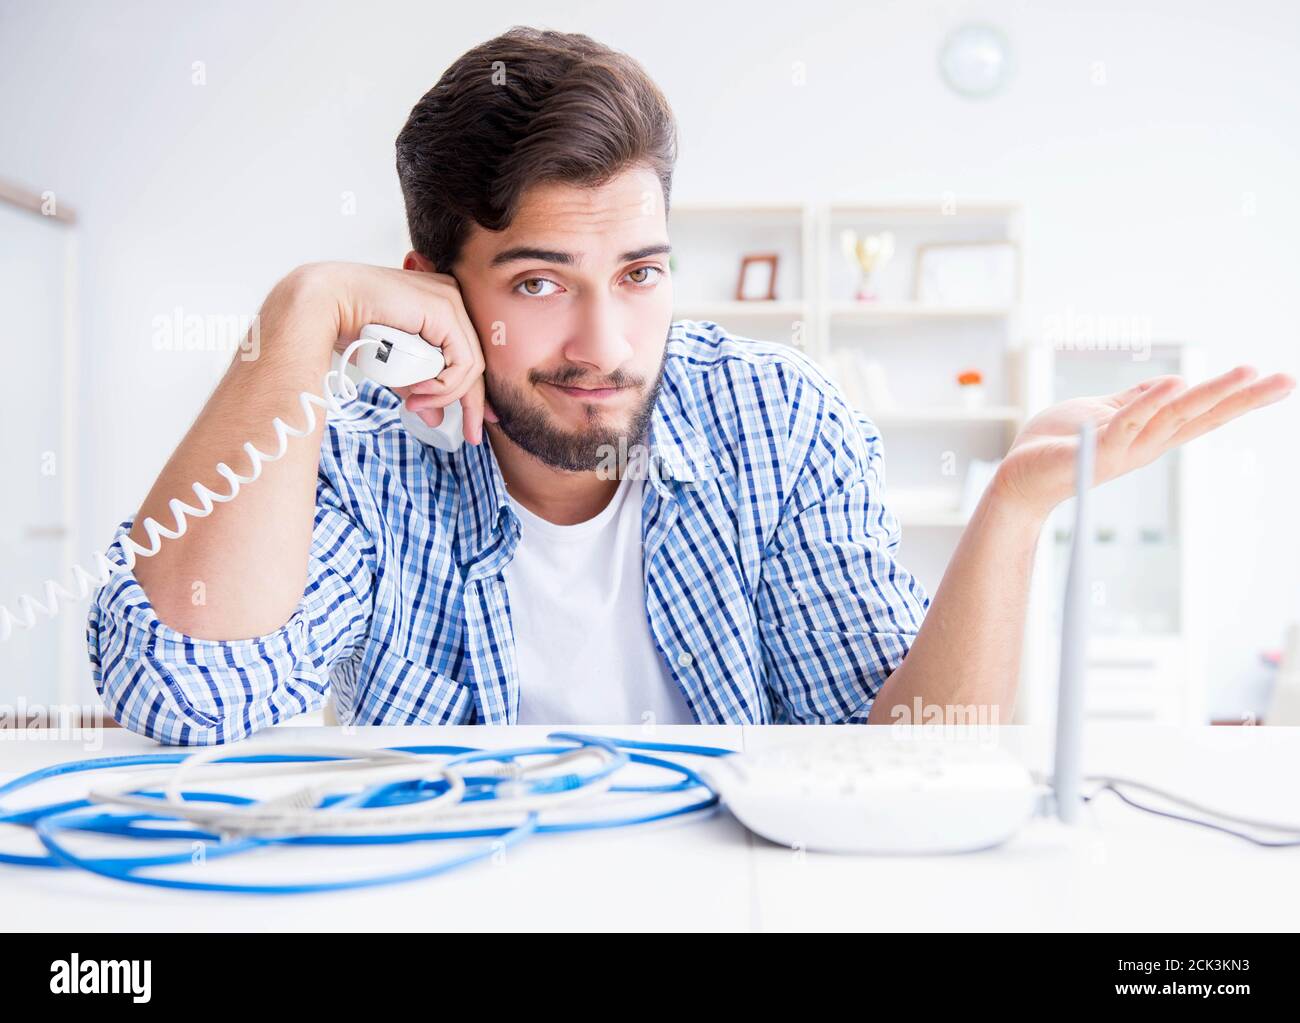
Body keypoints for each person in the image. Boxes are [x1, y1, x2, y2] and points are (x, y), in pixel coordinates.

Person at [88, 27, 1295, 745]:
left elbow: (907, 759)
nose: (604, 343)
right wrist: (303, 313)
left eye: (641, 272)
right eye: (540, 283)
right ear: (431, 288)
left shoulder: (779, 421)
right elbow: (181, 698)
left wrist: (1016, 510)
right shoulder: (359, 460)